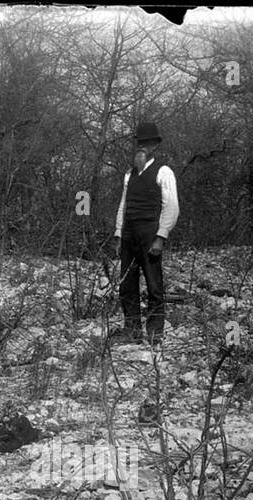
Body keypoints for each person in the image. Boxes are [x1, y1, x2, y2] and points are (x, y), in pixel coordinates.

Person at [111, 122, 179, 345]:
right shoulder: (128, 175)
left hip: (150, 233)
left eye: (147, 143)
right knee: (126, 285)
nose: (142, 147)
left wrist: (161, 236)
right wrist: (119, 233)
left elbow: (172, 207)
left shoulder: (163, 171)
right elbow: (123, 204)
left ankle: (154, 333)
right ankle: (132, 329)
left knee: (154, 285)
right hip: (129, 234)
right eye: (140, 143)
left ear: (155, 146)